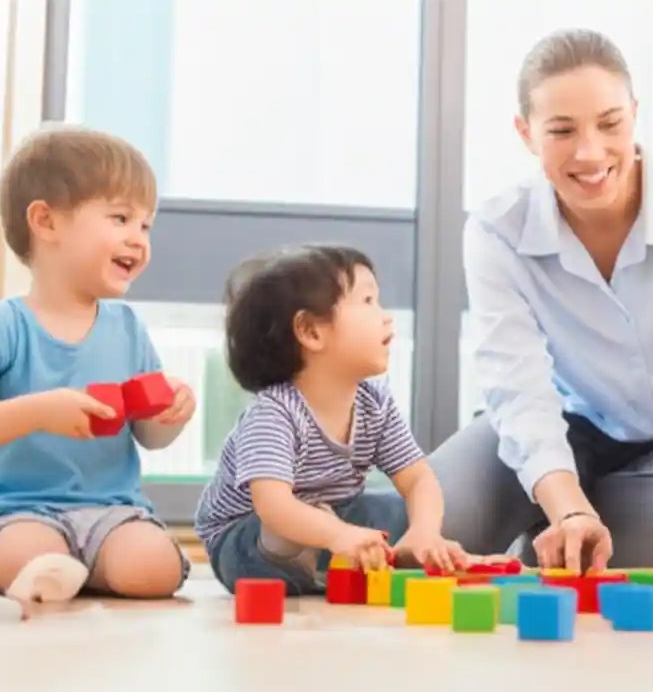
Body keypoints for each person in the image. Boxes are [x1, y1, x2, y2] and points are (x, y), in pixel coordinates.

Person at [427, 28, 653, 571]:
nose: (590, 153)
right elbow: (517, 389)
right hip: (566, 423)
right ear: (526, 133)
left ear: (634, 114)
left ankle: (555, 530)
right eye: (561, 131)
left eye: (609, 123)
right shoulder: (498, 230)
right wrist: (567, 509)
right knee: (425, 529)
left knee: (646, 569)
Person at [0, 126, 194, 607]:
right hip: (17, 511)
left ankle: (82, 568)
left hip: (110, 510)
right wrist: (39, 412)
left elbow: (149, 435)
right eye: (120, 218)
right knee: (27, 553)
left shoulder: (126, 327)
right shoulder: (6, 325)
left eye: (145, 226)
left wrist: (172, 414)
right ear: (46, 222)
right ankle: (62, 567)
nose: (137, 239)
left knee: (154, 569)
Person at [194, 246, 468, 593]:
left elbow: (418, 480)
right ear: (310, 332)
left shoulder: (374, 403)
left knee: (402, 510)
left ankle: (358, 560)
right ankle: (328, 563)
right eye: (367, 301)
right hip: (248, 539)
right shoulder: (273, 414)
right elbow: (273, 505)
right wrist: (337, 533)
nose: (386, 317)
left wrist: (423, 532)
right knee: (286, 528)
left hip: (335, 518)